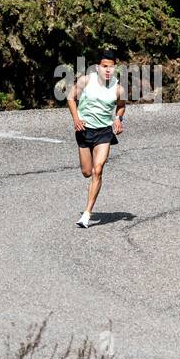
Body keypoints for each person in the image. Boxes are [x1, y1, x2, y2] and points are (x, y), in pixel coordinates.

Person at [67, 49, 126, 228]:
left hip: (104, 133)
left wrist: (117, 118)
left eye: (111, 67)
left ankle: (87, 213)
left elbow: (121, 107)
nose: (108, 70)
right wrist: (76, 119)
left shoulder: (118, 88)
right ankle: (91, 184)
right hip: (85, 130)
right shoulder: (86, 81)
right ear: (97, 67)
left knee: (97, 169)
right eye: (104, 66)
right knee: (87, 172)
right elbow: (70, 97)